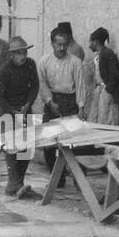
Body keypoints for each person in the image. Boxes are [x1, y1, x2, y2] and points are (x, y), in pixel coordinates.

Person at [37, 27, 86, 182]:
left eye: (64, 44)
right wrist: (50, 101)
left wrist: (81, 106)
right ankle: (57, 179)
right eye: (58, 44)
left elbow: (80, 85)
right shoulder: (44, 62)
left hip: (70, 102)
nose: (62, 47)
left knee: (75, 142)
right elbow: (42, 84)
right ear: (52, 44)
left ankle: (79, 180)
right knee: (48, 142)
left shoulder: (75, 62)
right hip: (52, 102)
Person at [0, 35, 40, 197]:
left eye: (24, 53)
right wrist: (13, 111)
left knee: (27, 148)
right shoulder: (4, 71)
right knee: (12, 149)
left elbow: (35, 86)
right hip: (9, 112)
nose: (23, 56)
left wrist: (28, 104)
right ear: (12, 54)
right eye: (19, 53)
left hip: (25, 109)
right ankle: (13, 184)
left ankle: (18, 183)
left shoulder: (30, 65)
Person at [87, 27, 119, 125]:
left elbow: (115, 74)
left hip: (106, 91)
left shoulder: (107, 54)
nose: (89, 45)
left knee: (107, 119)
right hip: (101, 90)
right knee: (97, 118)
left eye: (91, 42)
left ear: (96, 42)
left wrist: (108, 90)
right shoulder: (100, 55)